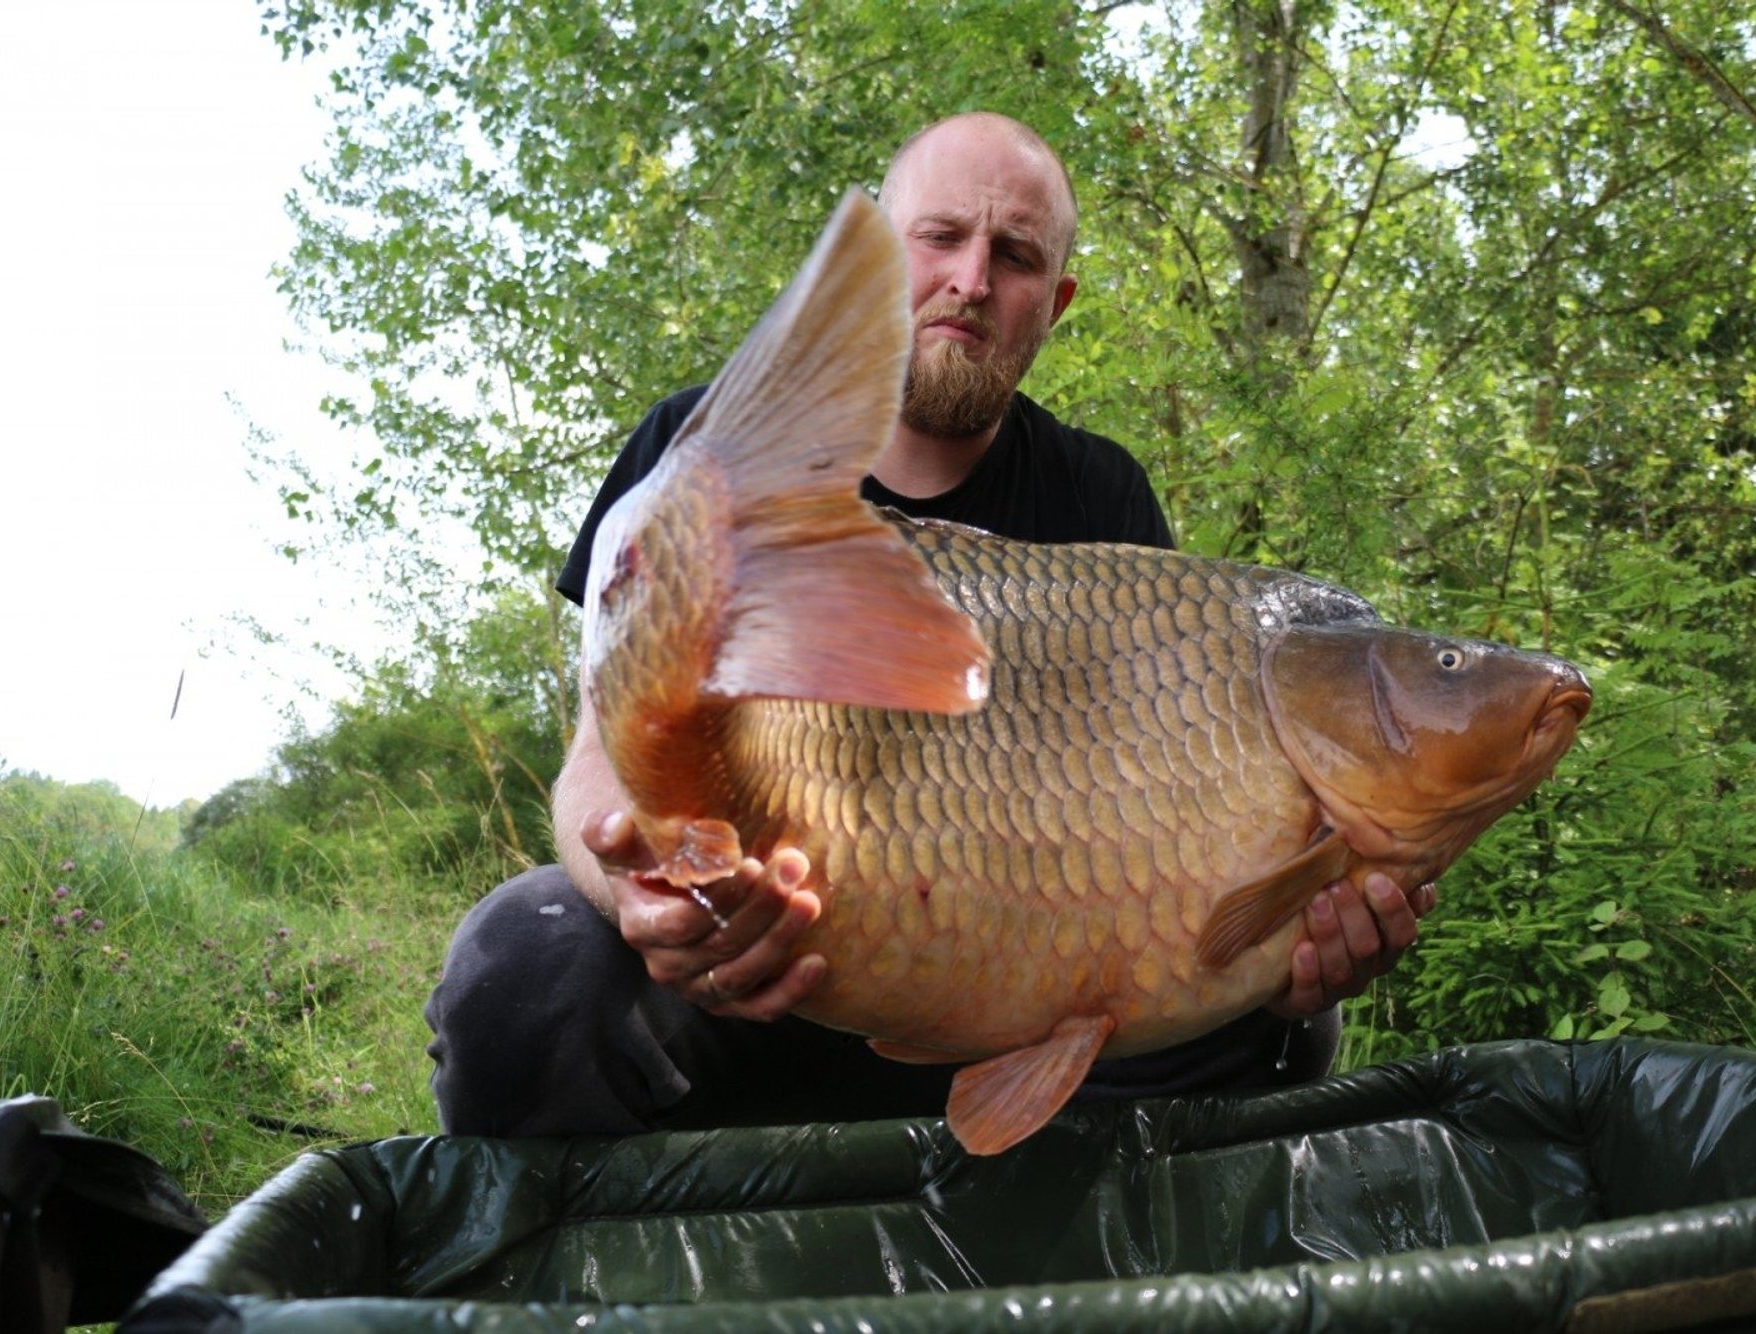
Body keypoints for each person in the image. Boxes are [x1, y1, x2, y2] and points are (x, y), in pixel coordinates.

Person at [424, 112, 1432, 1138]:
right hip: (758, 973)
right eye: (939, 237)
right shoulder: (708, 450)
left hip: (1011, 987)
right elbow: (599, 758)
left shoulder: (1100, 495)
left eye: (1016, 255)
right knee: (525, 965)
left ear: (1054, 302)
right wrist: (642, 894)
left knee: (1279, 1028)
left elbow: (1177, 823)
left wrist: (1282, 949)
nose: (971, 278)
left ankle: (1051, 1270)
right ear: (880, 249)